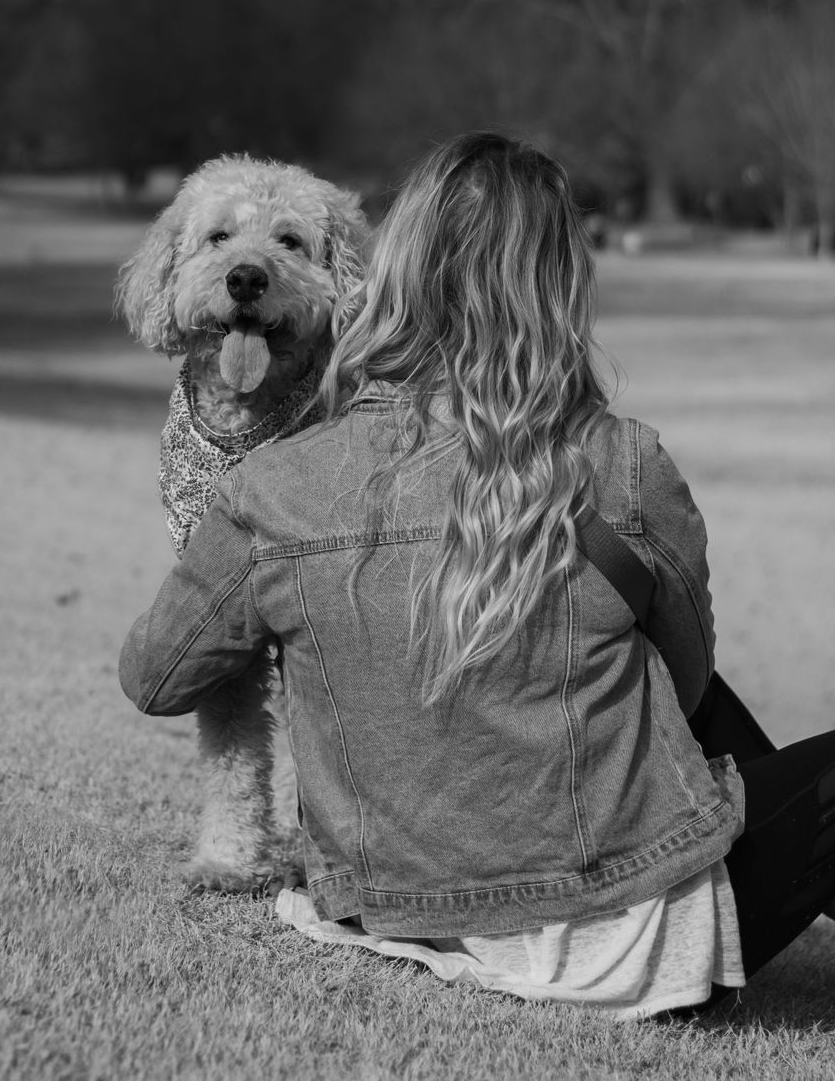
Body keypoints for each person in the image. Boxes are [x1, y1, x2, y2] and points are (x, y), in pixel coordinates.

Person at [120, 133, 835, 1020]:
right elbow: (684, 685)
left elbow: (155, 677)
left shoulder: (267, 481)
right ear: (562, 285)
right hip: (617, 945)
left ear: (387, 275)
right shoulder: (625, 463)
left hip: (383, 908)